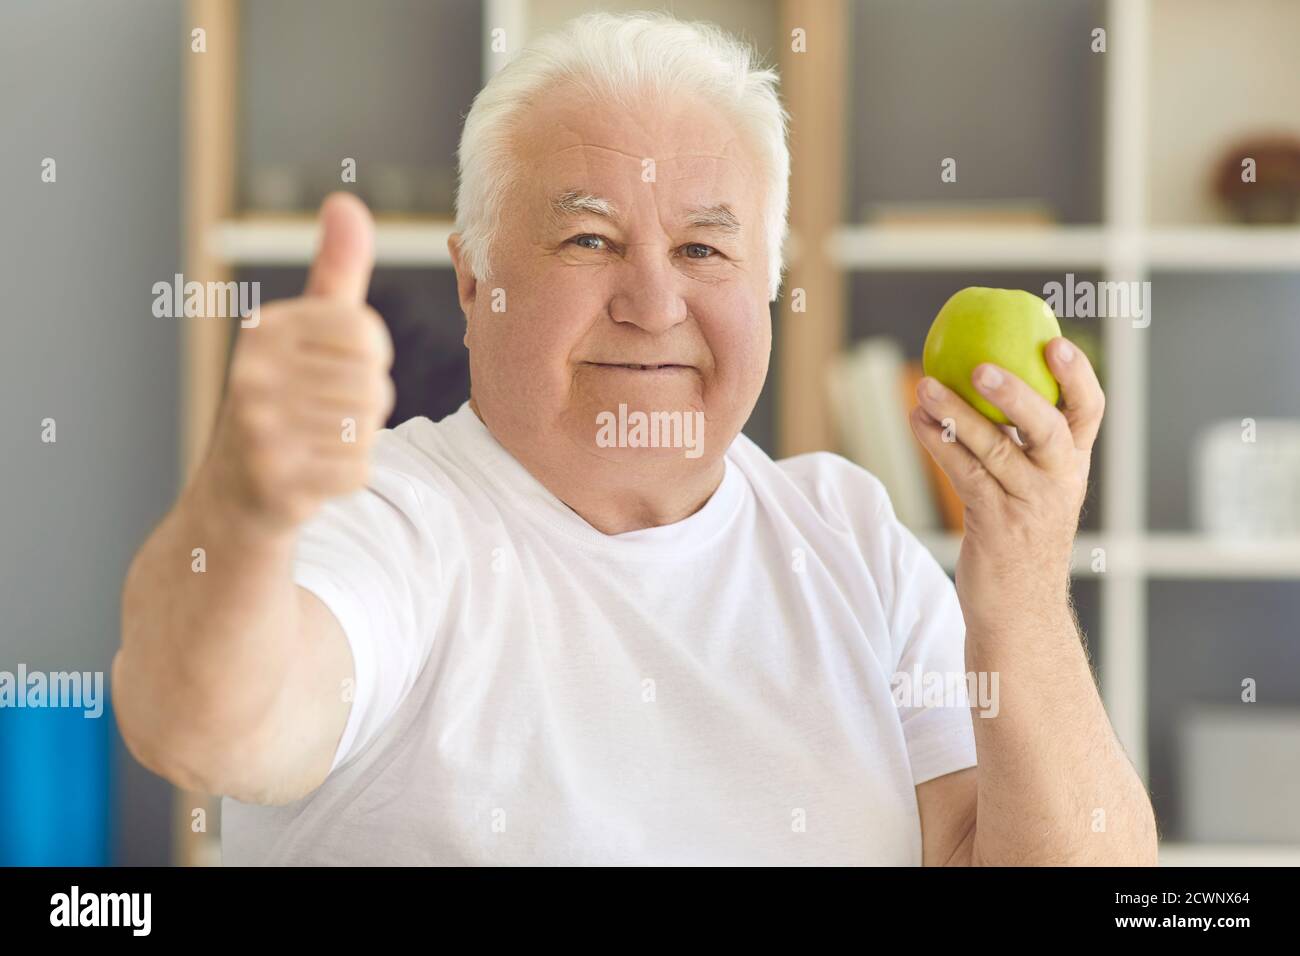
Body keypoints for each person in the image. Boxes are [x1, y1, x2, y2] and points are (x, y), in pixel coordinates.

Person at [113, 11, 1156, 865]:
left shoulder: (849, 535)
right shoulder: (390, 519)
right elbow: (201, 724)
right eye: (587, 239)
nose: (653, 301)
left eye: (704, 246)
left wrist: (1021, 587)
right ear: (475, 279)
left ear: (767, 285)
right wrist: (242, 510)